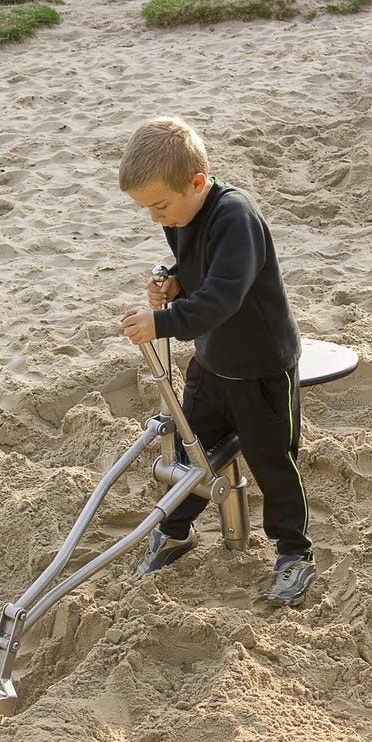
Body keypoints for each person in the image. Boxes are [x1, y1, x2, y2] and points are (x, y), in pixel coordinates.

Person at [118, 116, 315, 606]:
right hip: (211, 362)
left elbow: (225, 295)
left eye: (160, 206)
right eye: (147, 210)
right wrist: (175, 283)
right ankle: (179, 533)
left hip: (261, 367)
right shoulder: (182, 216)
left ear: (198, 182)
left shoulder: (236, 217)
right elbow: (198, 271)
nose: (156, 219)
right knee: (192, 452)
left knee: (272, 461)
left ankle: (295, 553)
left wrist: (163, 322)